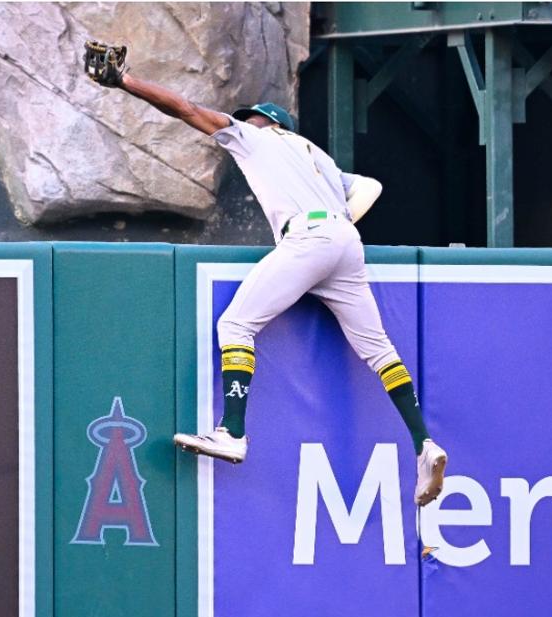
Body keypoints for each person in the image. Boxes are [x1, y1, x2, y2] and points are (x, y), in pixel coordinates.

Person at [84, 44, 447, 506]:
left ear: (271, 123)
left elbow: (187, 109)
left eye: (254, 116)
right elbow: (371, 187)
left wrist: (126, 82)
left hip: (309, 237)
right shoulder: (317, 155)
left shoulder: (257, 138)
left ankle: (233, 432)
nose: (245, 120)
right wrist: (336, 224)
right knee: (380, 352)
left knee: (235, 325)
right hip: (344, 242)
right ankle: (423, 444)